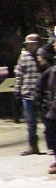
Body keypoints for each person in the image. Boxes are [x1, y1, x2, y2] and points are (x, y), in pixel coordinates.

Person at [13, 33, 43, 156]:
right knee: (30, 122)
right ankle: (33, 146)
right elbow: (19, 75)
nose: (30, 46)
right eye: (28, 44)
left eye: (32, 44)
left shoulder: (43, 56)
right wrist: (17, 90)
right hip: (27, 93)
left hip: (42, 94)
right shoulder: (23, 57)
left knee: (48, 121)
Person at [35, 46, 56, 174]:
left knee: (53, 136)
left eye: (40, 57)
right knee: (51, 136)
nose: (38, 59)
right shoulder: (47, 71)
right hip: (49, 109)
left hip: (52, 110)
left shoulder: (52, 71)